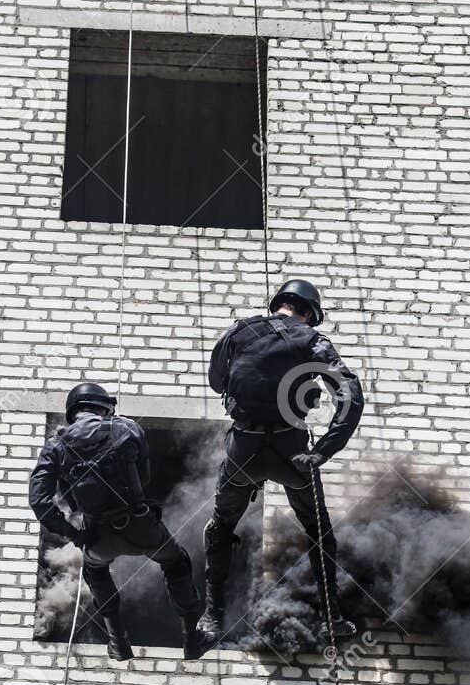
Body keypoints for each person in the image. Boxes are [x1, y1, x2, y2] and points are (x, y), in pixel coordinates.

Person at [199, 279, 365, 647]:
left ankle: (211, 616)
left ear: (278, 304)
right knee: (318, 530)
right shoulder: (312, 340)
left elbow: (216, 382)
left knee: (221, 527)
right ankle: (332, 619)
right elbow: (351, 395)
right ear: (308, 312)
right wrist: (325, 449)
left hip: (243, 450)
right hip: (292, 452)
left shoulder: (238, 330)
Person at [29, 382, 208, 661]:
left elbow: (39, 501)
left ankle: (118, 642)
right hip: (141, 526)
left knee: (95, 571)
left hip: (97, 536)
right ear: (103, 408)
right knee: (176, 561)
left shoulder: (55, 446)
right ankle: (192, 640)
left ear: (73, 412)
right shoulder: (126, 428)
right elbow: (144, 476)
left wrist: (74, 534)